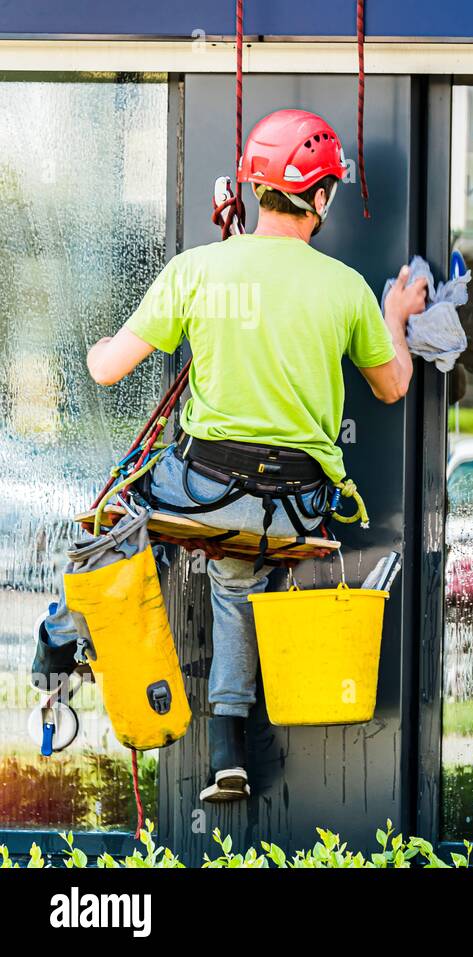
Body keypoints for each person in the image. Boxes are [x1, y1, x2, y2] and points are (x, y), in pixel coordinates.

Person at [31, 109, 427, 802]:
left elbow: (104, 369)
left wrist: (107, 333)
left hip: (201, 488)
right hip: (295, 509)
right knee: (237, 573)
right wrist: (395, 315)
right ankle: (227, 749)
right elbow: (393, 384)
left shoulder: (198, 271)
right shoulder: (345, 288)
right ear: (322, 197)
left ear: (252, 187)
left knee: (126, 527)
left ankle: (60, 637)